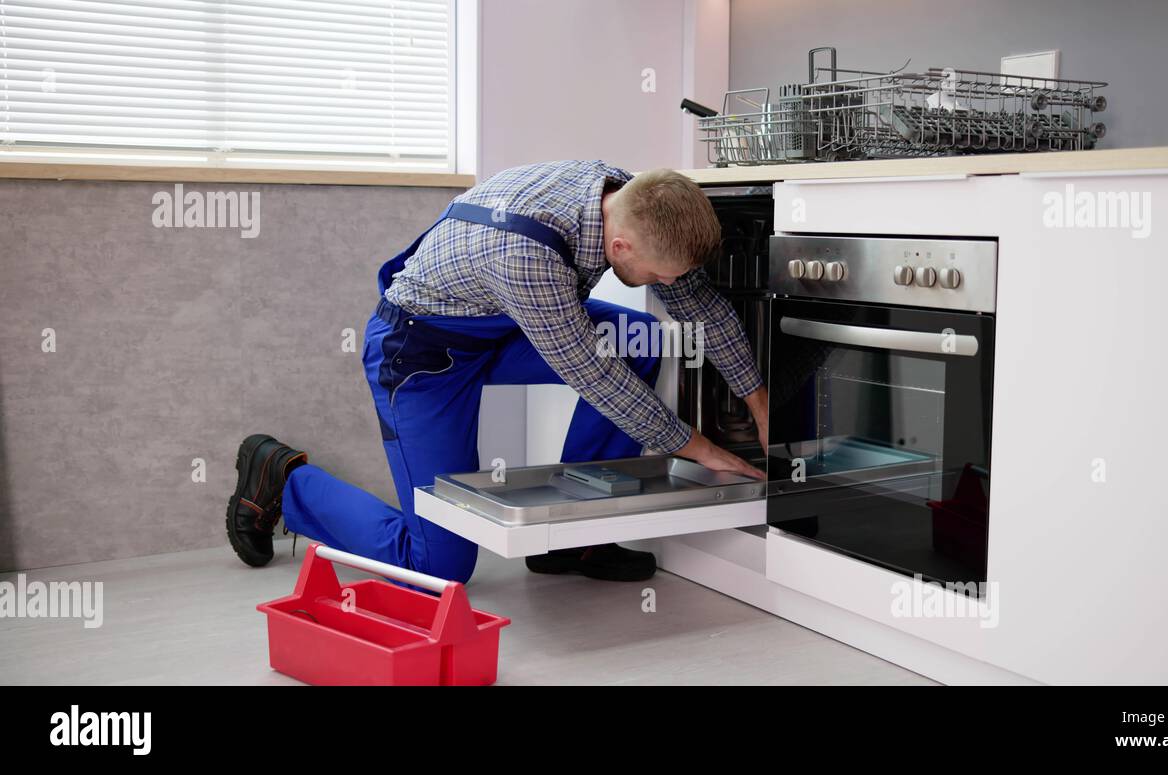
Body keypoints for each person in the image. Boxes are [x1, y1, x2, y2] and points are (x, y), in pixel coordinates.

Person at [225, 160, 768, 585]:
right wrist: (697, 447)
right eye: (655, 276)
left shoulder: (631, 196)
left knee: (641, 337)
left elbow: (700, 303)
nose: (663, 285)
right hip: (422, 356)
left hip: (504, 321)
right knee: (440, 568)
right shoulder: (527, 254)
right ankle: (285, 480)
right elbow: (593, 375)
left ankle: (573, 538)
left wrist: (760, 405)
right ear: (621, 246)